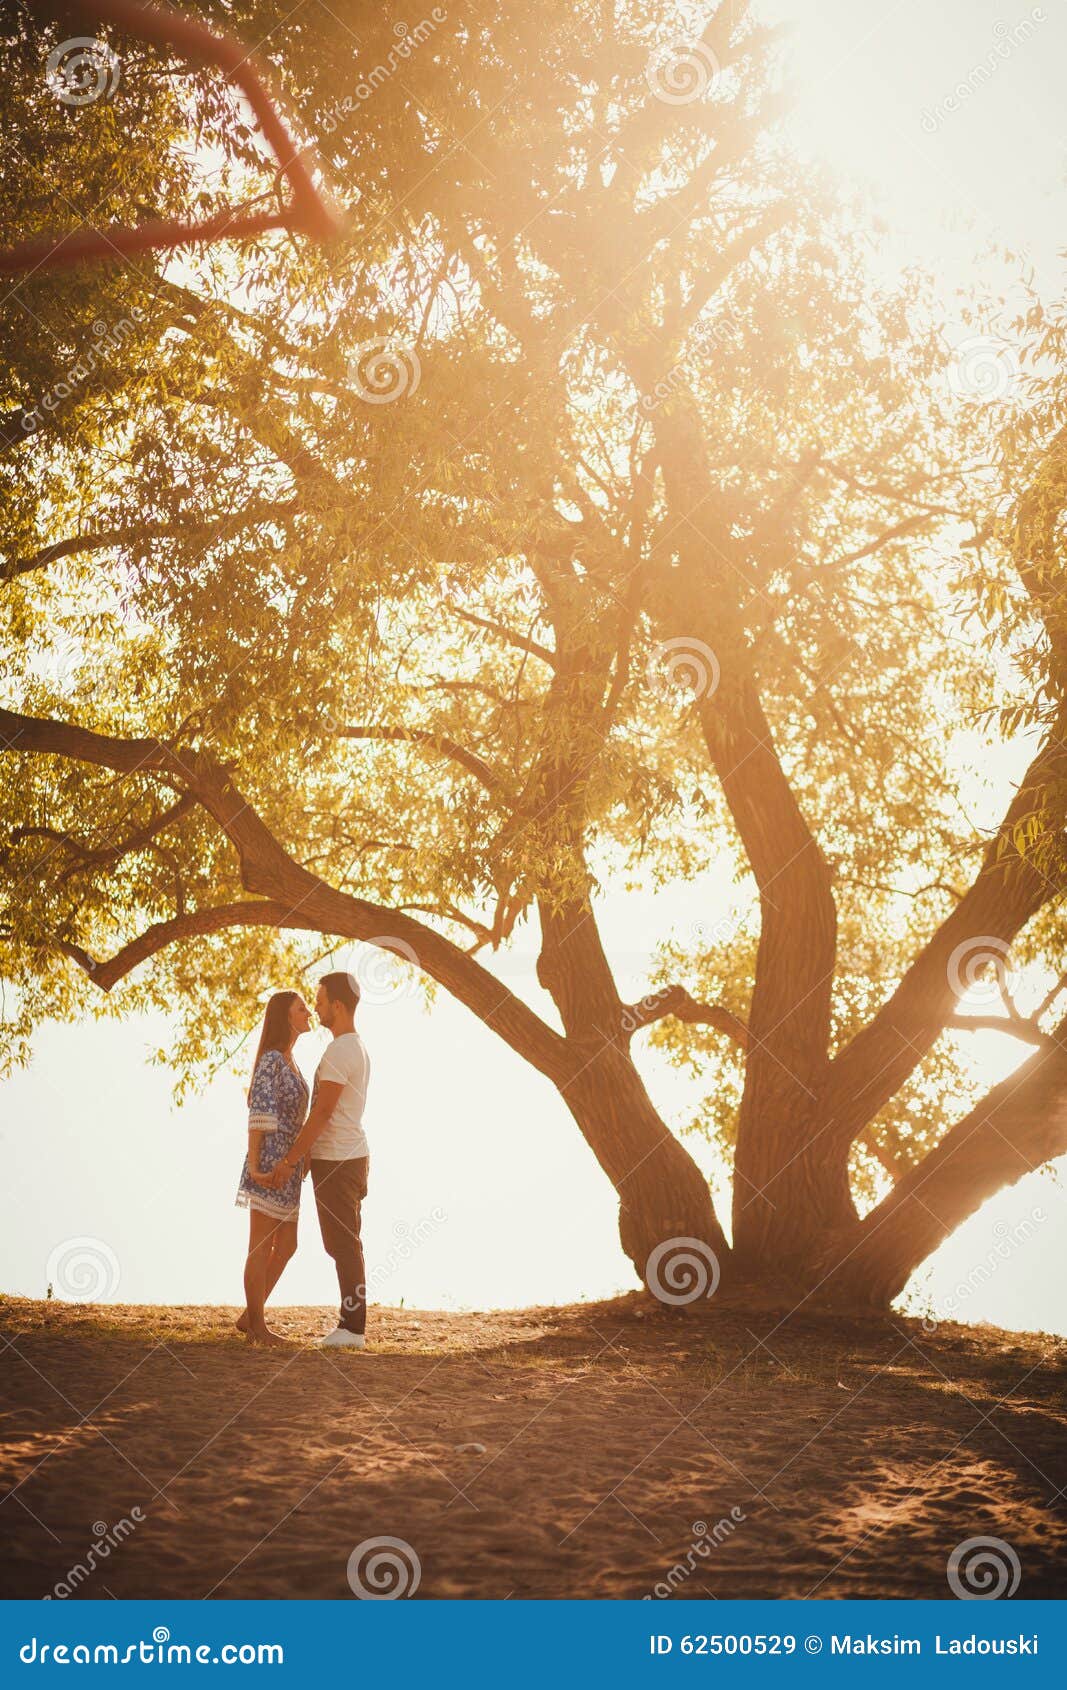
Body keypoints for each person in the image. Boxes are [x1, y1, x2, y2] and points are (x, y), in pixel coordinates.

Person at [265, 970, 371, 1349]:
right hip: (342, 1157)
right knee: (342, 1244)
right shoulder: (349, 1047)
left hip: (340, 1161)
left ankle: (352, 1328)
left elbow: (323, 1112)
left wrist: (293, 1158)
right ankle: (351, 1325)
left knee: (343, 1244)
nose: (316, 1007)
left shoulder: (343, 1049)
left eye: (321, 1001)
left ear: (338, 1006)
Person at [235, 990, 312, 1346]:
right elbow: (258, 1113)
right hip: (268, 1160)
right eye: (301, 1008)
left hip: (290, 1166)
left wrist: (302, 1157)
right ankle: (258, 1328)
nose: (308, 1011)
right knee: (261, 1245)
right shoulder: (270, 1059)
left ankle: (251, 1315)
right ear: (286, 1016)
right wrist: (254, 1164)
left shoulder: (291, 1060)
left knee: (288, 1245)